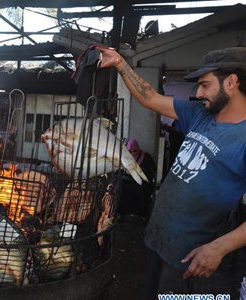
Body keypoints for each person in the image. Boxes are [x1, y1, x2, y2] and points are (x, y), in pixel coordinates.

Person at [98, 46, 246, 297]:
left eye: (205, 85)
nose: (198, 93)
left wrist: (219, 248)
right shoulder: (200, 114)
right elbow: (149, 97)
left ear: (231, 82)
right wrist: (120, 64)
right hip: (161, 243)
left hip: (192, 258)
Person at [119, 138, 157, 220]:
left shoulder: (146, 157)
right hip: (127, 181)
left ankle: (141, 215)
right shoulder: (123, 157)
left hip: (141, 183)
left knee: (143, 191)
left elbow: (152, 170)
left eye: (135, 151)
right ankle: (122, 213)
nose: (132, 153)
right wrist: (126, 171)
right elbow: (118, 171)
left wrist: (141, 170)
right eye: (130, 151)